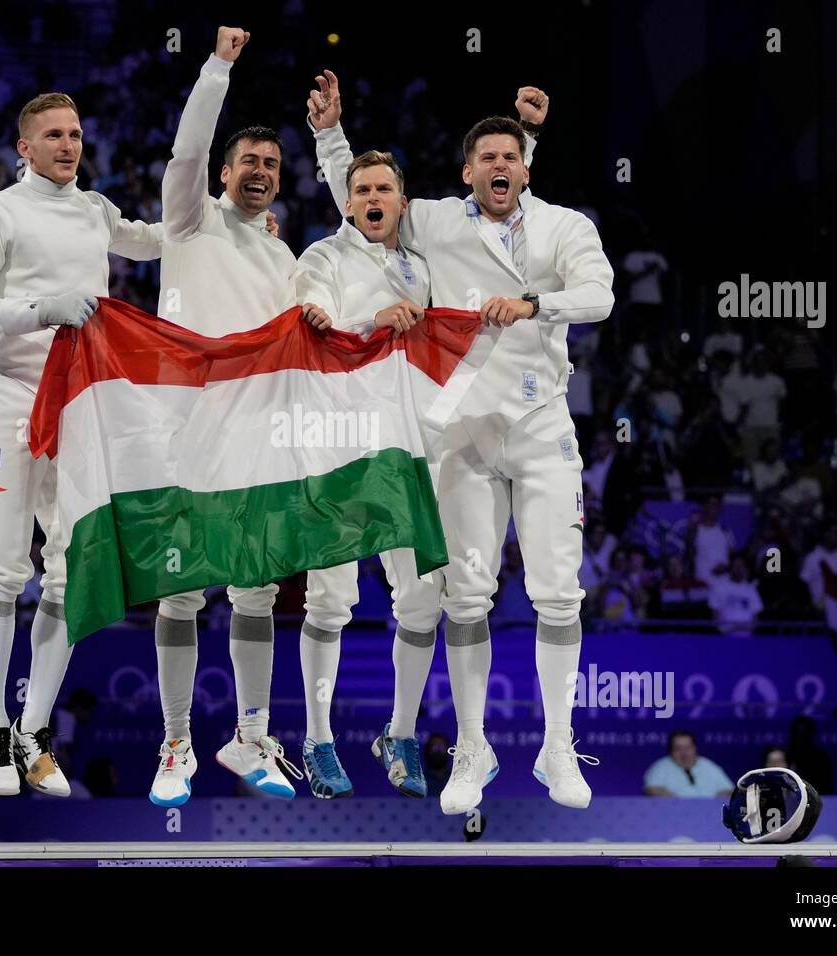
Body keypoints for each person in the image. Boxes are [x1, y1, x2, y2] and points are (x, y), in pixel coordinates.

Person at [312, 73, 614, 814]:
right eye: (487, 158)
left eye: (512, 155)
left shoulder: (564, 228)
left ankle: (555, 746)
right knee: (467, 596)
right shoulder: (439, 222)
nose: (500, 166)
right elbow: (366, 204)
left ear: (527, 164)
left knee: (557, 592)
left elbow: (600, 295)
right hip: (463, 434)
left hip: (542, 430)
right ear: (466, 172)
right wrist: (328, 137)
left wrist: (535, 303)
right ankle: (473, 748)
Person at [0, 89, 164, 799]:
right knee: (4, 569)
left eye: (75, 133)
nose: (69, 144)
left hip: (77, 406)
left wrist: (231, 219)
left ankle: (35, 731)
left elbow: (156, 239)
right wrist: (38, 310)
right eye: (54, 135)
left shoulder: (96, 210)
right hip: (11, 400)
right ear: (25, 148)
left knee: (74, 568)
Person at [147, 28, 302, 808]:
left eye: (273, 166)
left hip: (257, 442)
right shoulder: (189, 219)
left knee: (255, 595)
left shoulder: (281, 254)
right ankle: (177, 740)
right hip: (184, 433)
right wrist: (219, 68)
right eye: (250, 163)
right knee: (180, 593)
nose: (262, 174)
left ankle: (248, 736)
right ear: (224, 173)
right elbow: (185, 152)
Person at [288, 148, 440, 799]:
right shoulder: (321, 259)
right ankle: (318, 740)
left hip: (406, 450)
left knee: (425, 600)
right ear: (346, 201)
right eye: (362, 189)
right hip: (336, 449)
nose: (374, 198)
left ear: (400, 202)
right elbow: (309, 326)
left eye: (384, 188)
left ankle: (398, 733)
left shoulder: (422, 266)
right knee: (329, 602)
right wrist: (365, 321)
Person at [643, 730, 733, 797]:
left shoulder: (709, 766)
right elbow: (650, 790)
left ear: (695, 748)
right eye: (678, 748)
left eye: (688, 748)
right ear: (670, 751)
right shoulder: (660, 767)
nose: (684, 753)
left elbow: (729, 791)